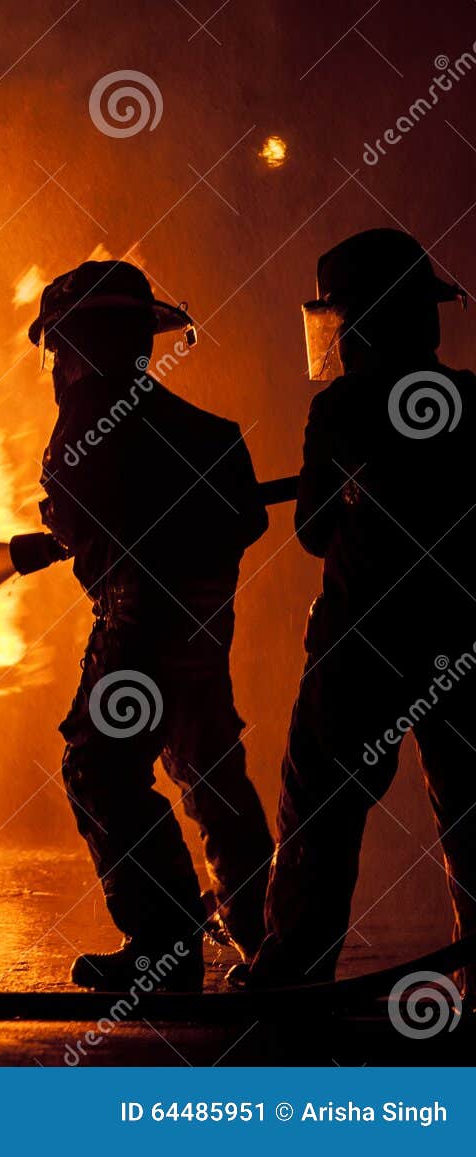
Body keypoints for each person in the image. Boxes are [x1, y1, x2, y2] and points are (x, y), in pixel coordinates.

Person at [21, 260, 272, 991]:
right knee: (211, 772)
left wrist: (69, 528)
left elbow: (76, 512)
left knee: (99, 765)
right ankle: (268, 939)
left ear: (81, 342)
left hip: (137, 620)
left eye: (61, 347)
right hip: (203, 617)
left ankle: (163, 945)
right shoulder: (205, 431)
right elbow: (247, 516)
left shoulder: (83, 420)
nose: (59, 364)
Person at [250, 228, 476, 987]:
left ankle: (291, 975)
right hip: (462, 635)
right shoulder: (470, 400)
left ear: (363, 323)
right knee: (473, 808)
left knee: (321, 805)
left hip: (366, 645)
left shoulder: (341, 408)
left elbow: (313, 531)